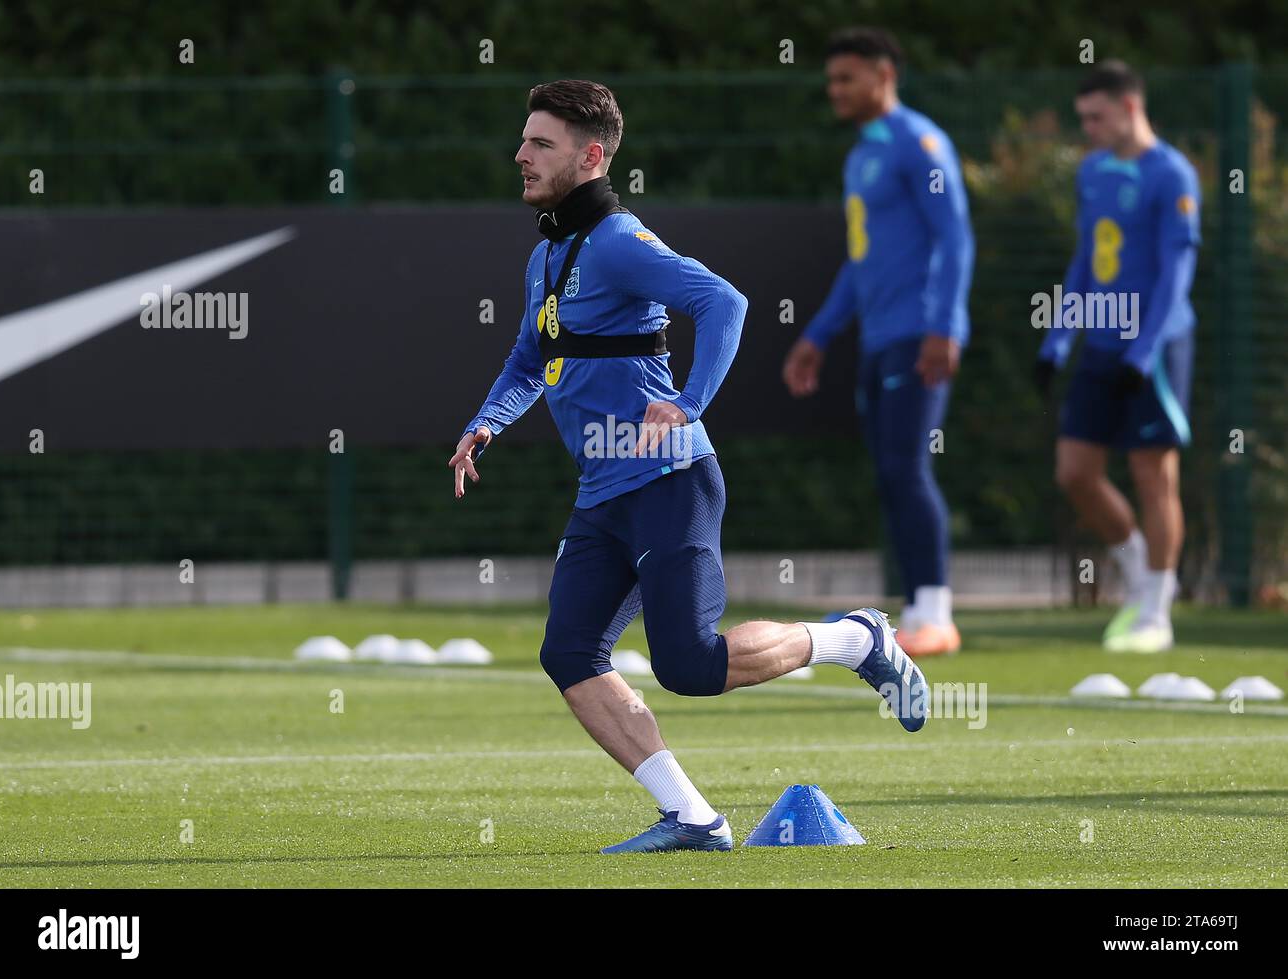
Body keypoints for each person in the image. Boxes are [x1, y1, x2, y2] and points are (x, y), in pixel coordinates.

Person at [449, 78, 928, 854]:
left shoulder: (616, 240)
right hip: (603, 492)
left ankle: (856, 640)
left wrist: (689, 401)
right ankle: (695, 817)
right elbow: (528, 359)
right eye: (525, 139)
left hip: (670, 479)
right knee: (567, 652)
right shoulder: (547, 254)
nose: (521, 154)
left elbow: (726, 303)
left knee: (691, 665)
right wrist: (486, 422)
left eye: (540, 143)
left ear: (591, 156)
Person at [783, 27, 975, 658]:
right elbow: (861, 260)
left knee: (908, 468)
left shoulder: (919, 143)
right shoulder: (862, 154)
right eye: (831, 79)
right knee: (891, 474)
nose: (834, 90)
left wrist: (944, 325)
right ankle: (916, 608)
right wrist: (818, 333)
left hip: (920, 334)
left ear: (882, 75)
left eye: (846, 78)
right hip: (880, 338)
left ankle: (935, 612)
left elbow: (955, 239)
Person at [1035, 61, 1201, 653]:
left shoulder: (1172, 174)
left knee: (1153, 473)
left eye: (1096, 116)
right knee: (1075, 473)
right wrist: (1057, 340)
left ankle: (1157, 610)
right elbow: (1086, 261)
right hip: (1100, 343)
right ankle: (1141, 574)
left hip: (1154, 349)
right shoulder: (1093, 171)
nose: (1088, 128)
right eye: (1082, 119)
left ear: (1130, 108)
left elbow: (1175, 274)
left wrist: (1144, 351)